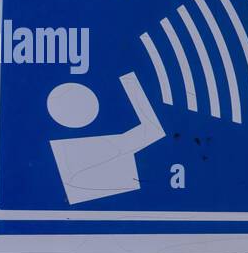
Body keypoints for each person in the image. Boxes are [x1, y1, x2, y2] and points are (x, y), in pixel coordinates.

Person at [48, 72, 165, 205]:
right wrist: (129, 80)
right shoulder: (83, 148)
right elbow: (152, 129)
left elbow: (151, 130)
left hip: (118, 205)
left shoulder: (69, 149)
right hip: (116, 203)